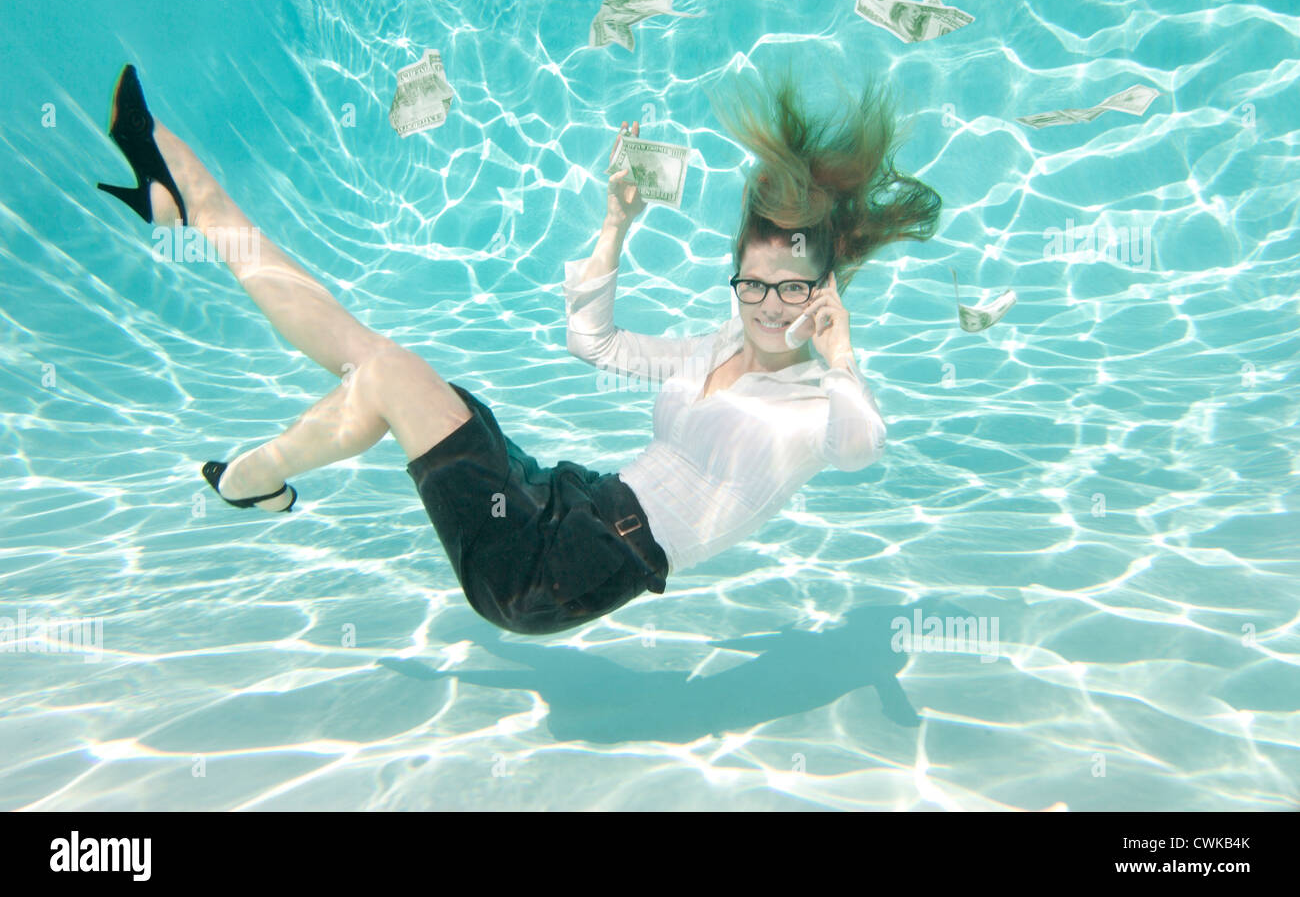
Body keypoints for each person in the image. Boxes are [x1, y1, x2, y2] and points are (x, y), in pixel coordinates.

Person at [92, 63, 939, 637]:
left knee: (384, 374)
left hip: (556, 574)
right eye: (752, 285)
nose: (767, 308)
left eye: (793, 290)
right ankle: (188, 205)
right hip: (563, 494)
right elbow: (591, 340)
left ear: (825, 292)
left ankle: (247, 477)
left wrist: (841, 355)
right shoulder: (719, 343)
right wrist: (617, 223)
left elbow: (860, 450)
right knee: (378, 359)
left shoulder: (818, 405)